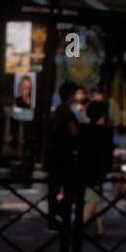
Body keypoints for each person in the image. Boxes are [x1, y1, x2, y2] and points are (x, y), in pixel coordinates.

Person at [43, 81, 80, 228]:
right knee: (67, 190)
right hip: (64, 157)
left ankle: (54, 217)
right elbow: (74, 133)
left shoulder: (57, 111)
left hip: (53, 155)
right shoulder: (67, 113)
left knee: (54, 189)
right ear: (71, 95)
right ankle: (61, 218)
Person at [79, 87, 114, 236]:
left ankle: (99, 227)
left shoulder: (83, 130)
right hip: (96, 170)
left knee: (95, 198)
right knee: (92, 199)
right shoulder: (105, 131)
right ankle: (79, 226)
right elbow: (107, 152)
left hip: (85, 168)